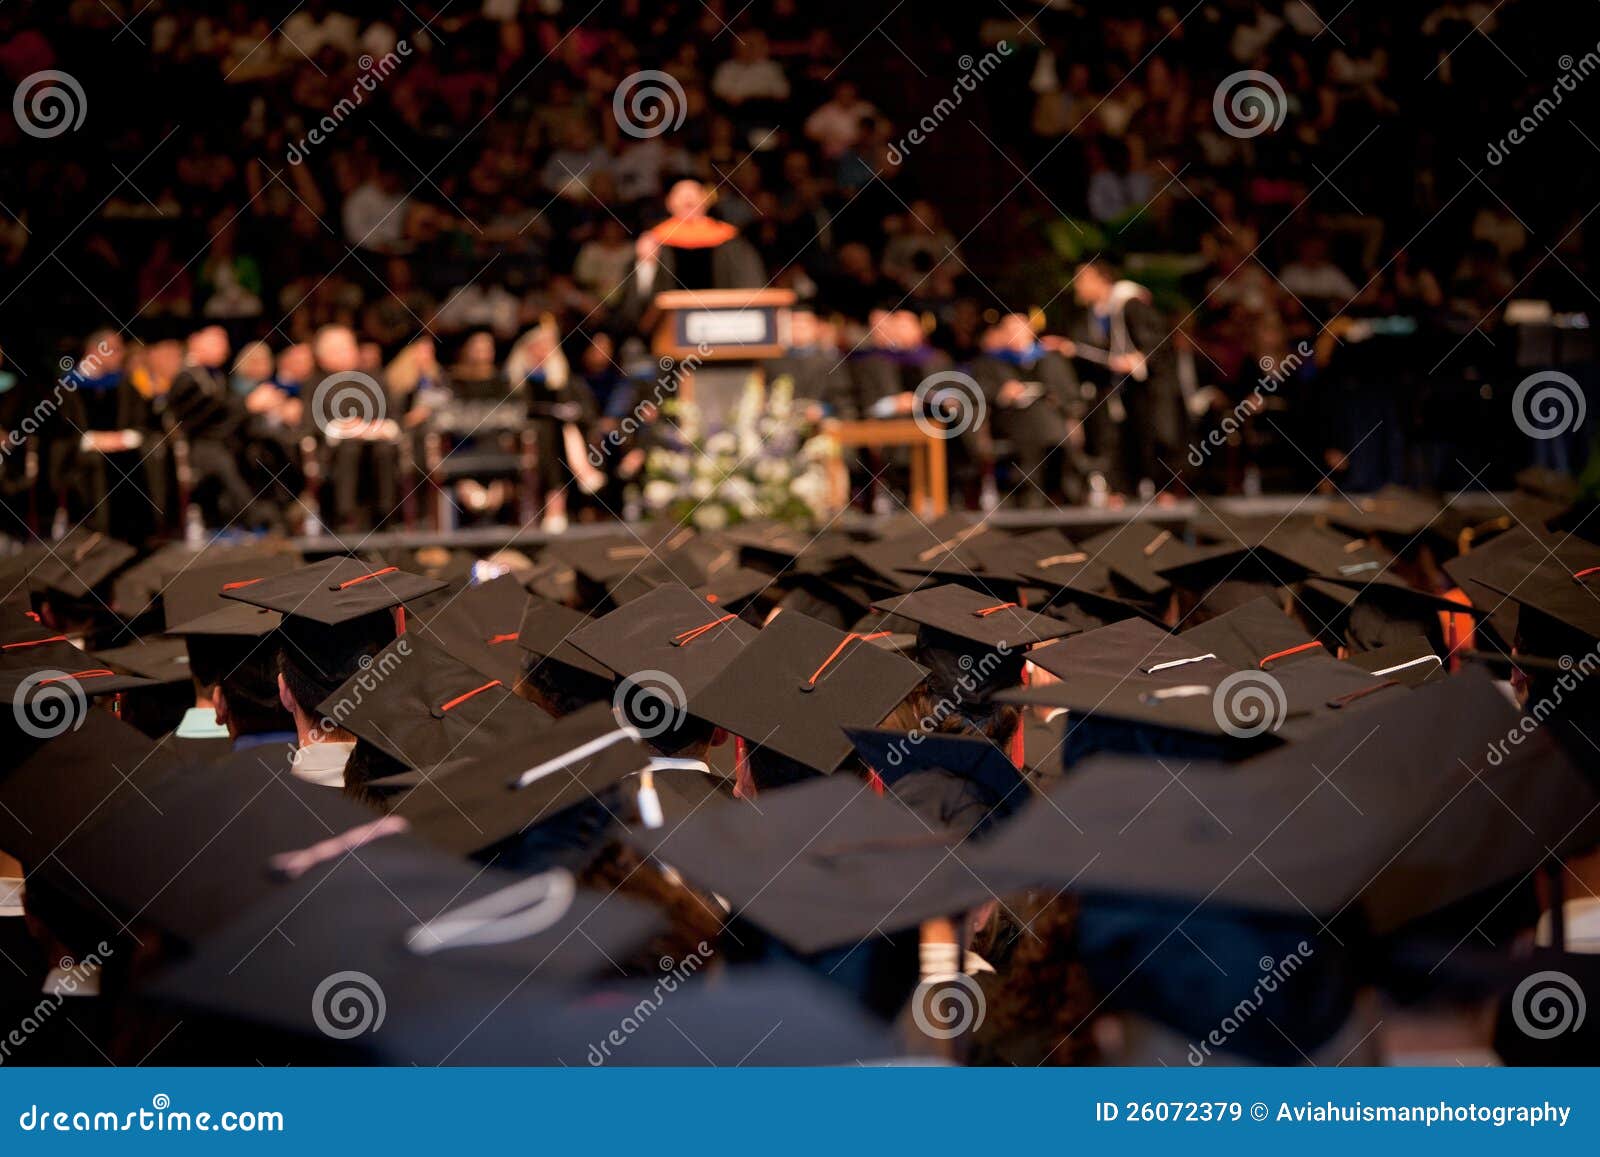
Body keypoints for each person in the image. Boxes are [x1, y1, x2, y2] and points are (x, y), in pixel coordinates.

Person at [1065, 259, 1188, 499]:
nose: (1076, 286)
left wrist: (1141, 356)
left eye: (1082, 279)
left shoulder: (1128, 303)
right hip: (1126, 388)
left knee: (1159, 434)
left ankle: (1167, 490)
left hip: (1152, 385)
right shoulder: (1096, 313)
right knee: (1128, 437)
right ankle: (1127, 489)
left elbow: (1159, 341)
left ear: (1101, 279)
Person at [969, 313, 1086, 506]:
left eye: (1020, 329)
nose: (1015, 335)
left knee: (1050, 425)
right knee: (1045, 428)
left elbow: (1071, 394)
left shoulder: (1051, 359)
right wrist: (1002, 392)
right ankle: (1041, 492)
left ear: (1031, 332)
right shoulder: (989, 363)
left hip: (1051, 419)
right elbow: (977, 393)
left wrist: (1054, 397)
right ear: (1003, 334)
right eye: (1010, 330)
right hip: (1010, 420)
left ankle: (1056, 490)